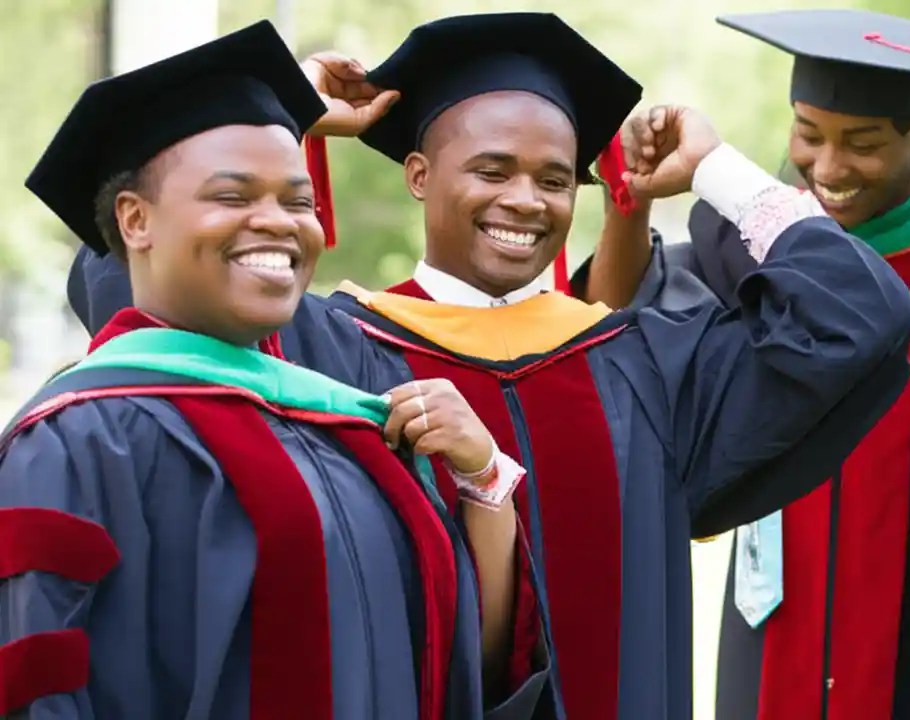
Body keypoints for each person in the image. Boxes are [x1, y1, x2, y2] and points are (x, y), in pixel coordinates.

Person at [62, 13, 910, 719]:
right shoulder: (324, 350)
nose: (524, 200)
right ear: (420, 175)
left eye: (554, 179)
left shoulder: (644, 364)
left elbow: (859, 318)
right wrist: (286, 120)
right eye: (492, 169)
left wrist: (719, 174)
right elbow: (123, 274)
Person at [575, 9, 910, 720]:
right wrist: (630, 199)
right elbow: (616, 325)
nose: (828, 169)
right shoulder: (754, 242)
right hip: (779, 622)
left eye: (862, 143)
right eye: (808, 134)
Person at [2, 22, 549, 719]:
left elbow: (452, 666)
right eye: (233, 197)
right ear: (135, 222)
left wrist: (484, 486)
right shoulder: (79, 440)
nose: (278, 223)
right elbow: (34, 689)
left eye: (297, 201)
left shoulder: (348, 428)